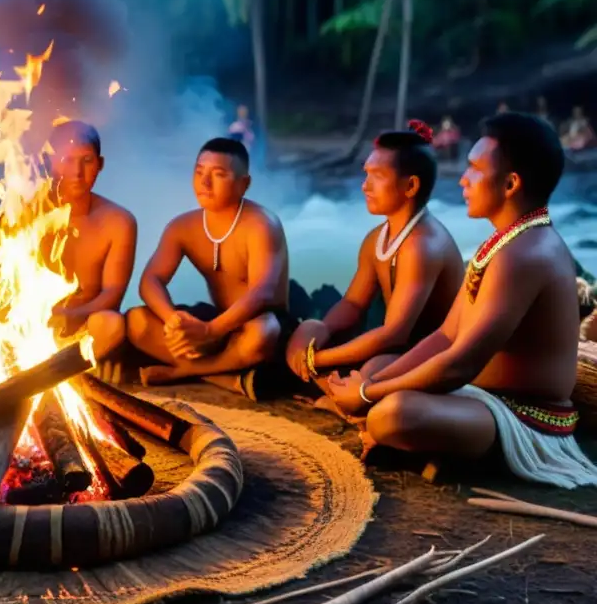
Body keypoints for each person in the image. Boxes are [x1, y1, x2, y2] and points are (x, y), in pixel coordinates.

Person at [326, 112, 597, 488]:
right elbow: (444, 336)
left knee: (394, 414)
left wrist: (366, 394)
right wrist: (373, 383)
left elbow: (459, 364)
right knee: (379, 367)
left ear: (510, 183)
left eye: (474, 169)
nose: (463, 180)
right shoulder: (505, 241)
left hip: (522, 416)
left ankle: (446, 451)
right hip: (479, 396)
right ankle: (426, 443)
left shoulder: (526, 253)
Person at [285, 120, 464, 405]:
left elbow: (395, 333)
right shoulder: (377, 238)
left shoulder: (422, 245)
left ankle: (345, 402)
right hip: (390, 348)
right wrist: (322, 331)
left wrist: (317, 359)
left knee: (371, 373)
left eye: (377, 175)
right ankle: (344, 401)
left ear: (411, 186)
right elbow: (354, 303)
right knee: (306, 330)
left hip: (426, 355)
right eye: (365, 174)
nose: (365, 186)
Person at [126, 137, 293, 395]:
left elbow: (262, 292)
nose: (204, 183)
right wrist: (172, 319)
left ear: (243, 184)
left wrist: (210, 330)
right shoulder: (182, 227)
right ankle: (222, 377)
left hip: (258, 325)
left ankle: (186, 371)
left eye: (218, 174)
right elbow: (150, 280)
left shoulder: (261, 224)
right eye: (199, 172)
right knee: (137, 321)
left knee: (264, 331)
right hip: (217, 320)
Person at [46, 121, 136, 360]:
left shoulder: (118, 221)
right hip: (35, 327)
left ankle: (64, 373)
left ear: (100, 164)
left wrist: (70, 315)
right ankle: (73, 374)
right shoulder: (27, 215)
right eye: (67, 160)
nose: (77, 172)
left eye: (86, 161)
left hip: (86, 330)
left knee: (111, 324)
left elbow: (113, 293)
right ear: (52, 162)